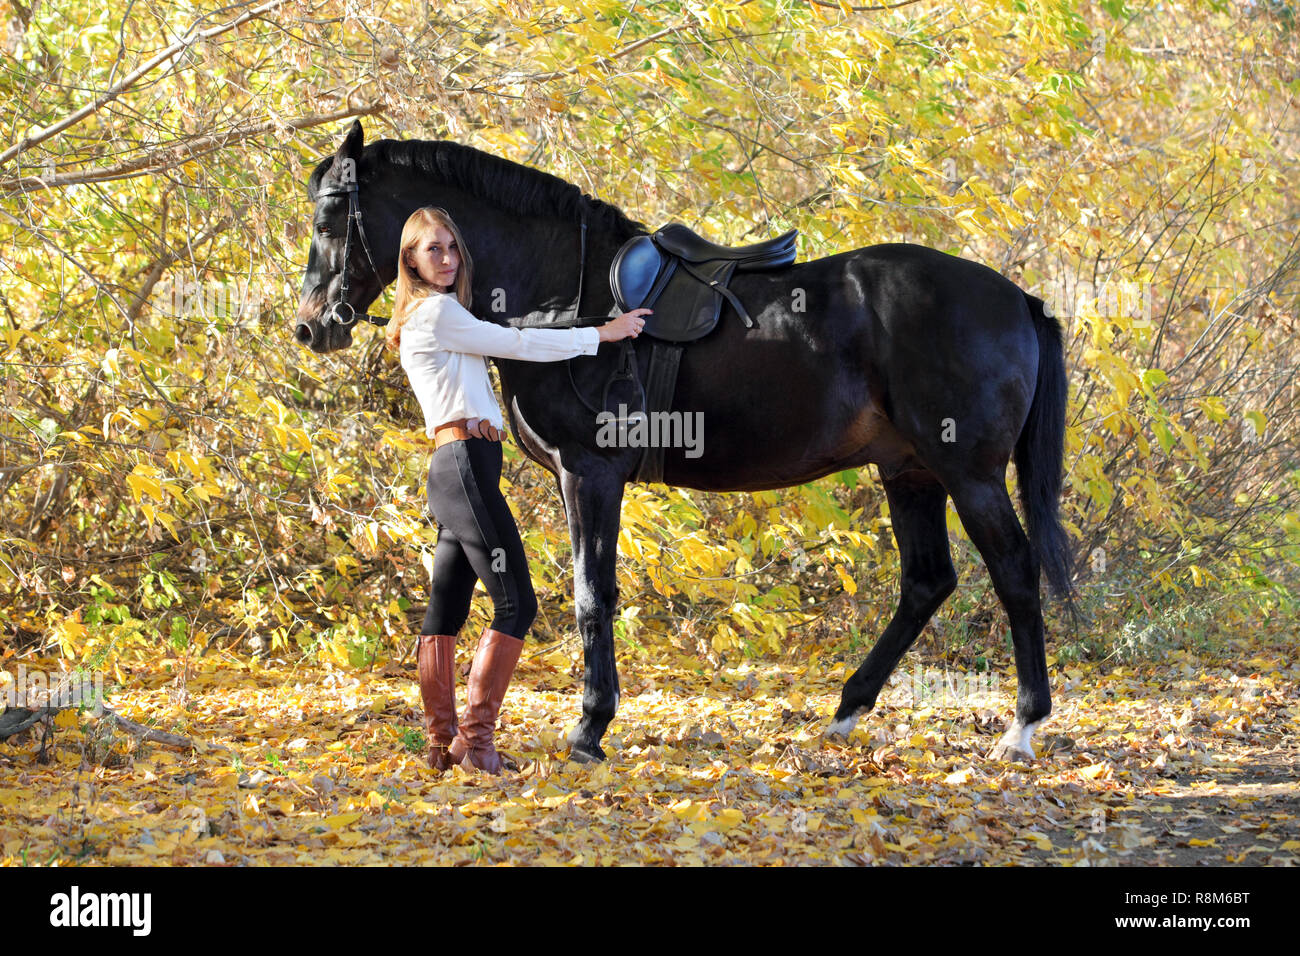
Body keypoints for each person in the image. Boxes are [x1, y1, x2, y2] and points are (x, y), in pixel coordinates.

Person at [384, 206, 650, 775]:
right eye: (434, 249)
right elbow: (519, 342)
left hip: (459, 469)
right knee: (517, 603)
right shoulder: (435, 315)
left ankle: (442, 744)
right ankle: (476, 744)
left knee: (446, 610)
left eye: (453, 247)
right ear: (410, 258)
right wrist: (601, 334)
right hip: (462, 467)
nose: (448, 258)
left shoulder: (438, 314)